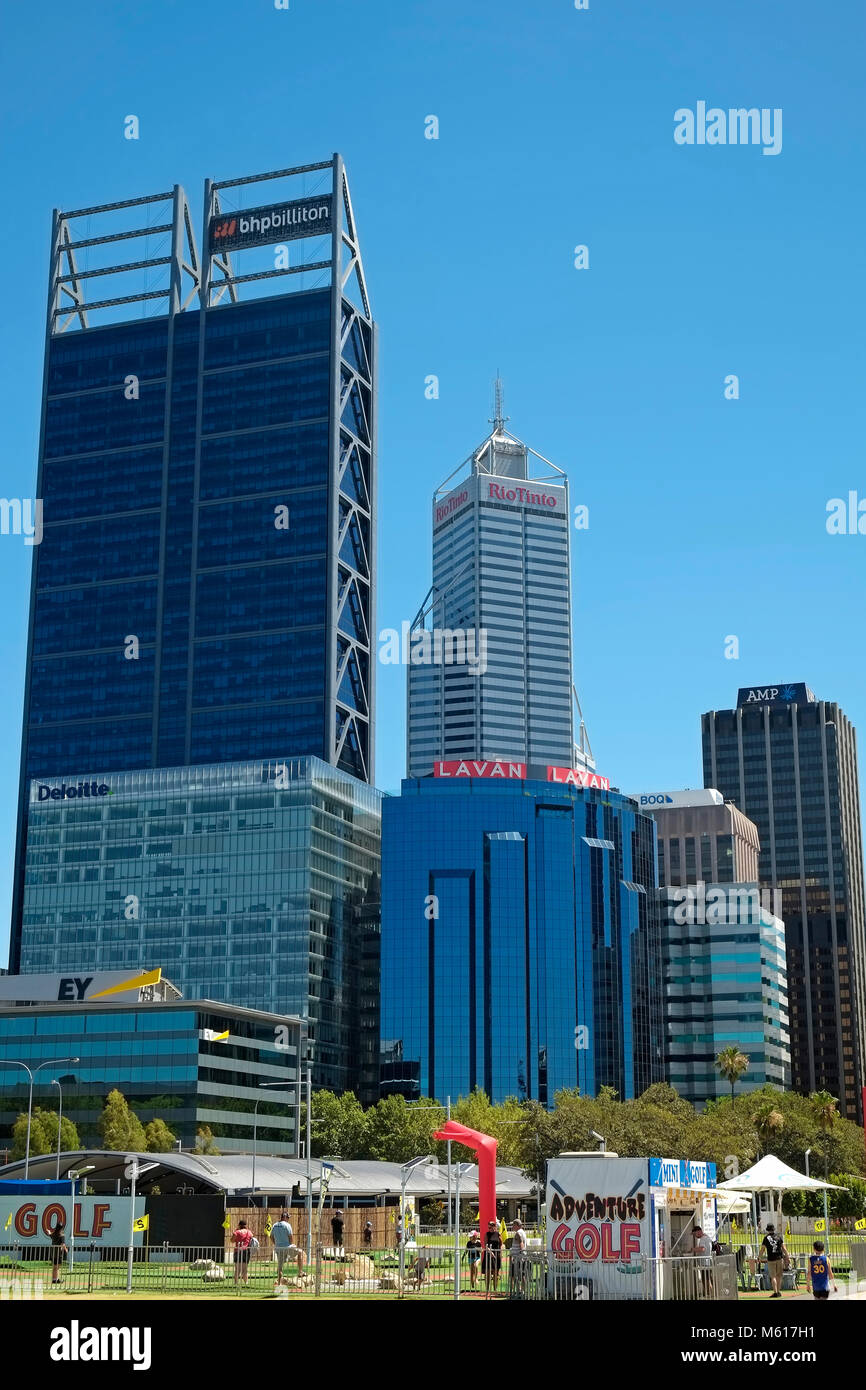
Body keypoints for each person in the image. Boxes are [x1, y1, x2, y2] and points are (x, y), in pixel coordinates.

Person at [270, 1210, 306, 1286]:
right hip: (287, 1246)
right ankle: (300, 1272)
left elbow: (271, 1236)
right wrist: (292, 1245)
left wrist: (276, 1243)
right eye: (288, 1218)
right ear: (285, 1217)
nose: (288, 1219)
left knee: (280, 1266)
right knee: (300, 1252)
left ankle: (279, 1282)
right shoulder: (287, 1225)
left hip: (278, 1248)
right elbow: (291, 1237)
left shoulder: (274, 1225)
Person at [760, 1224, 789, 1299]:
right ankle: (778, 1291)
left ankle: (775, 1292)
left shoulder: (766, 1238)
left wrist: (759, 1257)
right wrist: (787, 1257)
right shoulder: (779, 1237)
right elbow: (784, 1248)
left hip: (771, 1259)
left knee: (773, 1277)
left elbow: (762, 1249)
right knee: (779, 1276)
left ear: (767, 1230)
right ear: (774, 1229)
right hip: (779, 1258)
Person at [691, 1225, 714, 1297]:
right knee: (708, 1279)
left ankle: (709, 1295)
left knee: (705, 1280)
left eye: (695, 1234)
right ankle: (711, 1294)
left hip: (705, 1263)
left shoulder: (702, 1239)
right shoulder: (707, 1237)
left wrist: (693, 1249)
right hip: (708, 1262)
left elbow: (702, 1249)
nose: (695, 1236)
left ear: (699, 1231)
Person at [482, 1219, 502, 1299]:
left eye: (490, 1227)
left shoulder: (498, 1234)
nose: (489, 1229)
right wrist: (491, 1252)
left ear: (494, 1227)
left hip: (496, 1256)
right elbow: (486, 1245)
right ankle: (487, 1290)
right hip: (488, 1255)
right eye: (488, 1227)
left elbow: (501, 1244)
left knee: (496, 1273)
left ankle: (495, 1290)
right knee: (487, 1273)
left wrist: (500, 1253)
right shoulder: (487, 1234)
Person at [232, 1219, 254, 1285]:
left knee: (237, 1269)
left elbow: (232, 1240)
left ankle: (236, 1283)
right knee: (245, 1269)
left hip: (238, 1250)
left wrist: (236, 1230)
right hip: (246, 1251)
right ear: (245, 1225)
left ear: (239, 1225)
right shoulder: (249, 1232)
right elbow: (252, 1239)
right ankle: (246, 1283)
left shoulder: (237, 1232)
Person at [509, 1220, 528, 1295]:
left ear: (517, 1225)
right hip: (521, 1256)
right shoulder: (523, 1232)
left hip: (517, 1258)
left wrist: (521, 1252)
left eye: (513, 1225)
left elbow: (521, 1243)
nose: (512, 1226)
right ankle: (522, 1291)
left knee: (514, 1275)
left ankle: (515, 1291)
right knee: (522, 1275)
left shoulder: (518, 1233)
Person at [50, 1219, 67, 1286]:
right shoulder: (62, 1235)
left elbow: (50, 1235)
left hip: (53, 1252)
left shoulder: (54, 1234)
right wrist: (65, 1249)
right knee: (58, 1267)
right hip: (58, 1252)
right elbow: (63, 1244)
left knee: (54, 1267)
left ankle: (54, 1279)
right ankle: (56, 1279)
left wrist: (48, 1232)